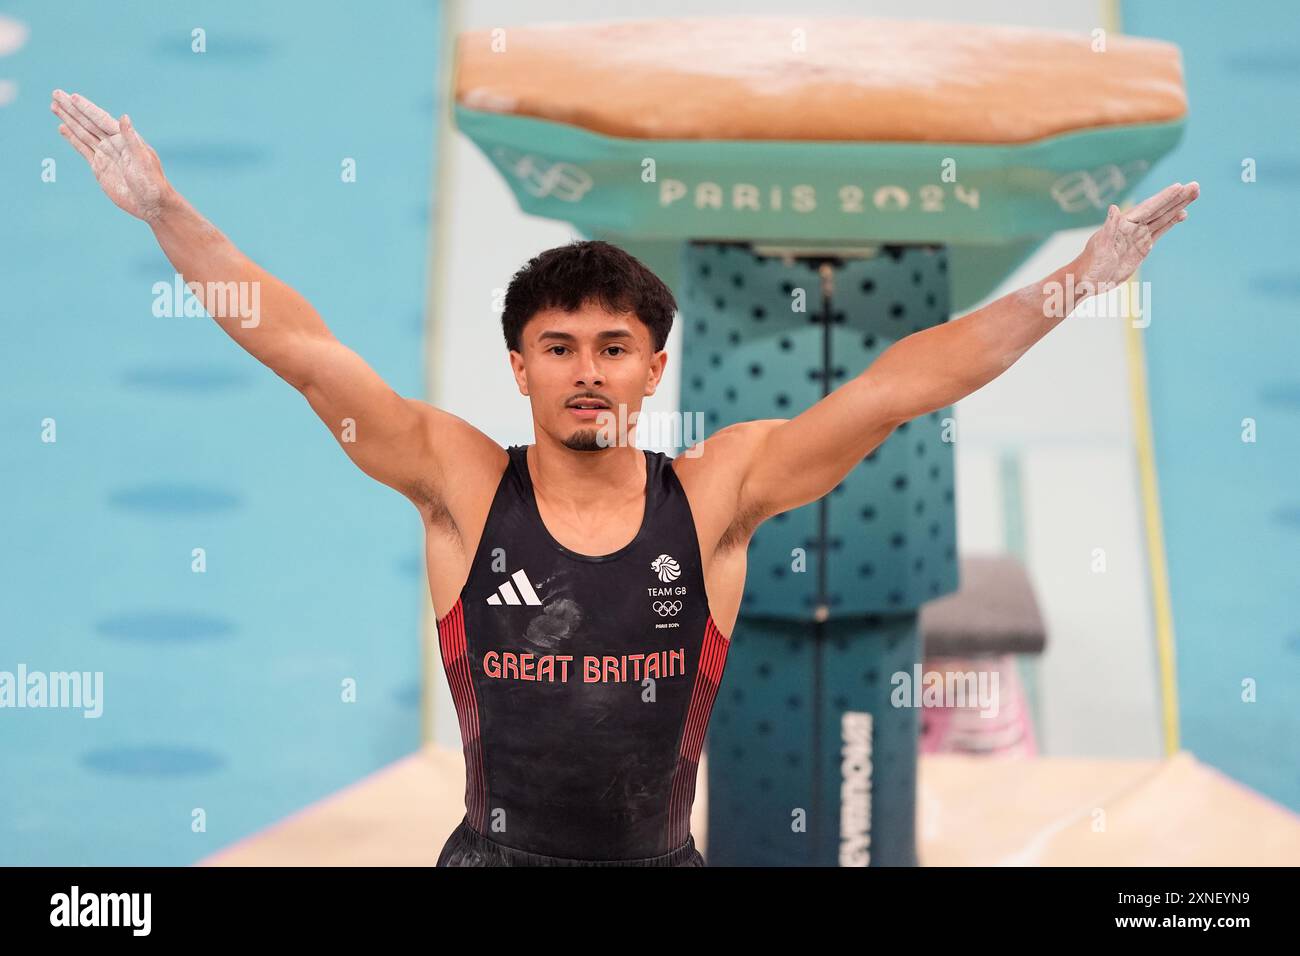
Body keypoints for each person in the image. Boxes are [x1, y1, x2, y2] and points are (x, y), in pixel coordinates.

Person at [50, 89, 1199, 867]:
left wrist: (1073, 284)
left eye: (612, 349)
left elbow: (897, 385)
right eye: (558, 348)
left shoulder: (717, 492)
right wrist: (165, 208)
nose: (585, 374)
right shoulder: (457, 479)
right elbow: (301, 349)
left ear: (654, 367)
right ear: (519, 366)